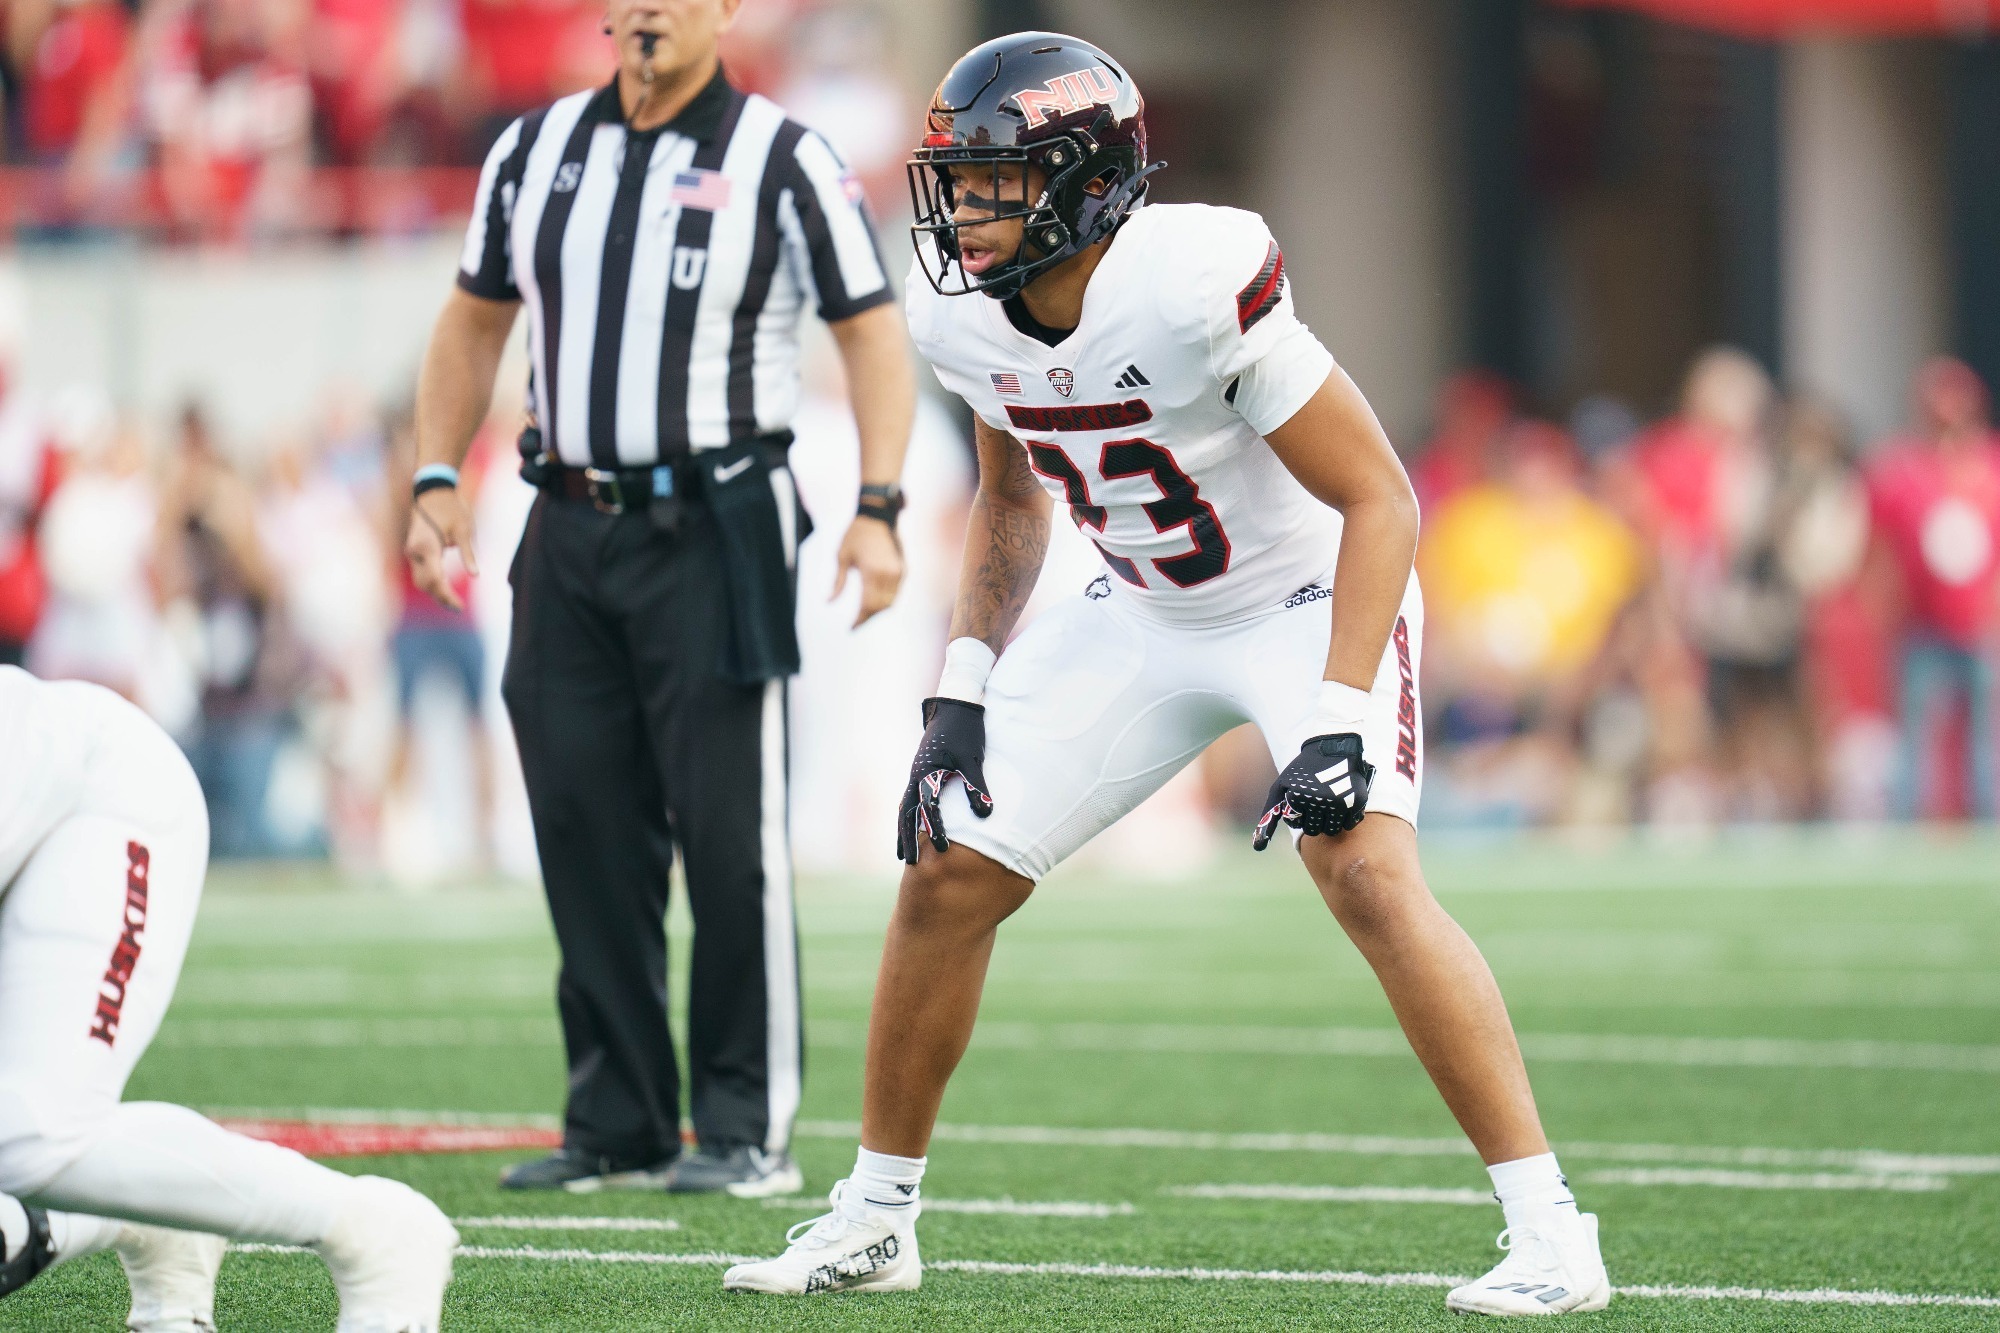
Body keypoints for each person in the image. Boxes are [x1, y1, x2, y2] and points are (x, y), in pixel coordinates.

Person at [723, 32, 1609, 1317]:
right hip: (1133, 601)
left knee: (1360, 866)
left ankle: (1550, 1231)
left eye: (994, 181)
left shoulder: (1195, 276)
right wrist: (961, 683)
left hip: (1302, 590)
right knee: (944, 868)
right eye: (955, 181)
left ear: (1082, 182)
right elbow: (1012, 494)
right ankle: (875, 1214)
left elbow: (1379, 498)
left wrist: (1342, 712)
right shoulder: (961, 310)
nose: (962, 209)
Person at [404, 0, 914, 1195]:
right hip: (565, 517)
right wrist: (435, 474)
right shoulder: (532, 151)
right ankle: (618, 1118)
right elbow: (473, 320)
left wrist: (879, 508)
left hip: (717, 521)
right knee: (580, 820)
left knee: (727, 834)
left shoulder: (783, 158)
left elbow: (873, 334)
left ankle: (745, 1127)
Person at [0, 666, 456, 1330]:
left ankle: (372, 1230)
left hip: (101, 800)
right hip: (45, 812)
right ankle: (146, 1216)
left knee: (30, 1130)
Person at [1863, 358, 2000, 819]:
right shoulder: (1902, 470)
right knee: (1915, 734)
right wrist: (1882, 604)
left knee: (1985, 738)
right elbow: (1882, 547)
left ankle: (1987, 823)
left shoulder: (1991, 467)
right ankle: (1908, 822)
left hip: (1981, 626)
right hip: (1921, 625)